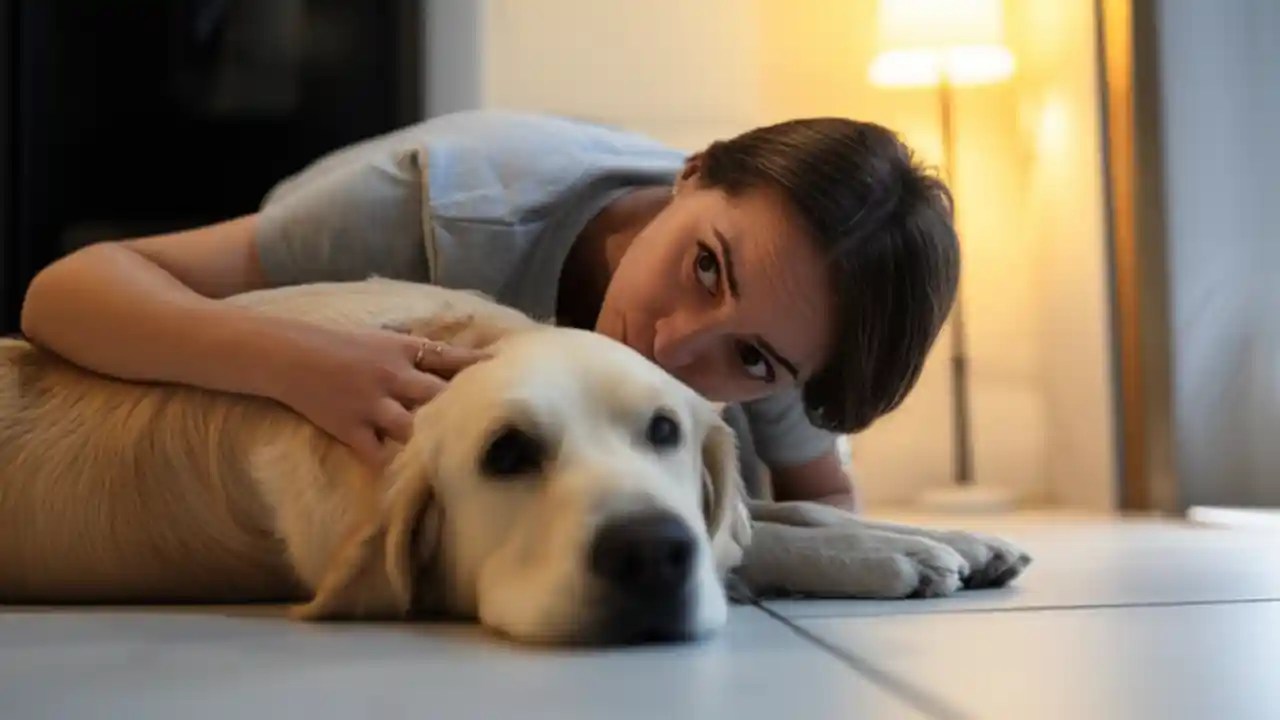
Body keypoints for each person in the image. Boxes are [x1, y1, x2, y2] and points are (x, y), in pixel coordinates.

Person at [20, 110, 958, 512]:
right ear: (694, 171)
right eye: (702, 267)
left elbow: (823, 496)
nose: (677, 345)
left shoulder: (790, 312)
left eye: (752, 361)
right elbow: (67, 290)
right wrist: (296, 360)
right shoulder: (426, 216)